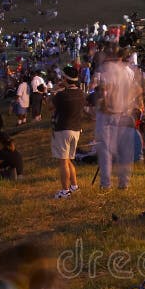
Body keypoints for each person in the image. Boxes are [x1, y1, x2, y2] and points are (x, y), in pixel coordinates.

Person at [94, 49, 143, 190]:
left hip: (107, 113)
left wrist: (104, 102)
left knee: (105, 149)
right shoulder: (129, 71)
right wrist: (128, 100)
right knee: (125, 150)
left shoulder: (106, 70)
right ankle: (124, 182)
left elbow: (103, 91)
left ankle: (106, 183)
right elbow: (138, 90)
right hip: (124, 112)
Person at [50, 65, 86, 198]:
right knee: (69, 159)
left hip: (63, 129)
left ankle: (65, 191)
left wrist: (54, 90)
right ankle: (74, 186)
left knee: (63, 161)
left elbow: (50, 106)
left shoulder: (61, 95)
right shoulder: (81, 93)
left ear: (65, 78)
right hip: (76, 129)